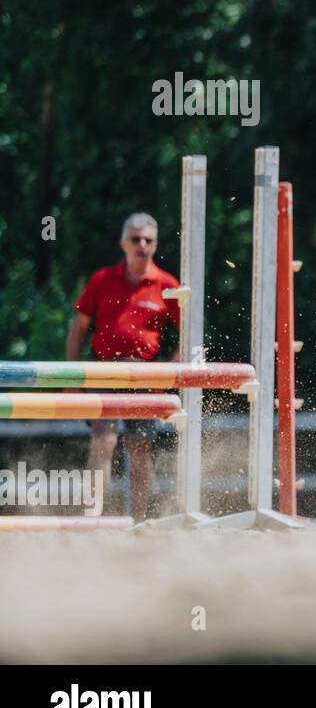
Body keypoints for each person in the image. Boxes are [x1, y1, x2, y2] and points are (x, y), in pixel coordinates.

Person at [67, 213, 180, 521]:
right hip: (103, 369)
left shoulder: (168, 285)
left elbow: (191, 334)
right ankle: (92, 514)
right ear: (123, 243)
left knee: (140, 446)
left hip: (144, 373)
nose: (141, 245)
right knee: (103, 437)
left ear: (156, 245)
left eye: (148, 240)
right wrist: (71, 375)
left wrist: (170, 374)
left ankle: (140, 520)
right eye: (135, 239)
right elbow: (79, 328)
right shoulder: (102, 279)